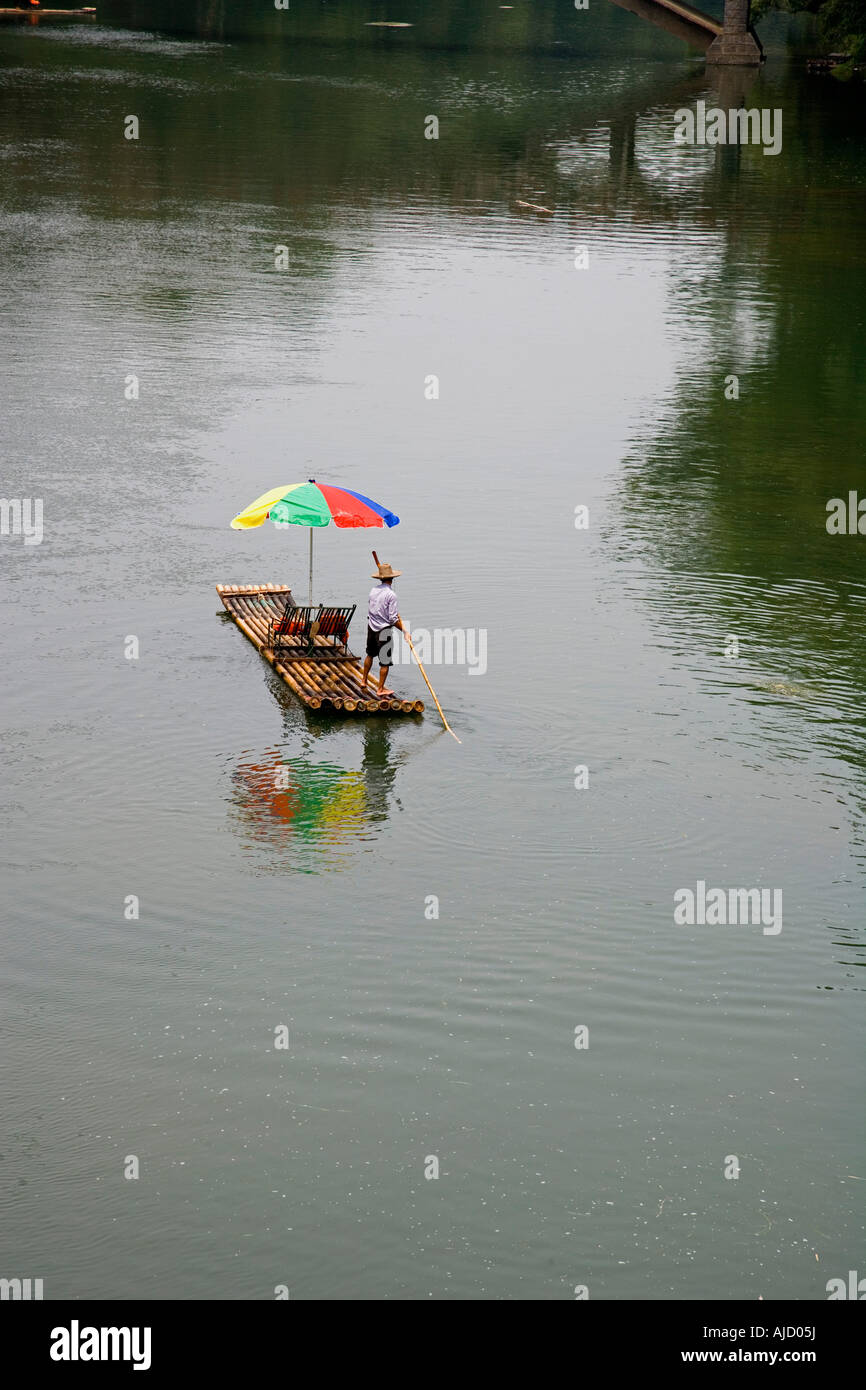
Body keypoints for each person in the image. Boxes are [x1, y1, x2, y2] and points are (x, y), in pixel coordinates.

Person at [361, 562, 406, 697]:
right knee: (385, 662)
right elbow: (392, 619)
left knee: (370, 654)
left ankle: (364, 680)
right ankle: (380, 689)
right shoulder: (391, 595)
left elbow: (372, 608)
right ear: (392, 579)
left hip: (371, 627)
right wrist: (404, 630)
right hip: (384, 630)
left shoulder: (373, 590)